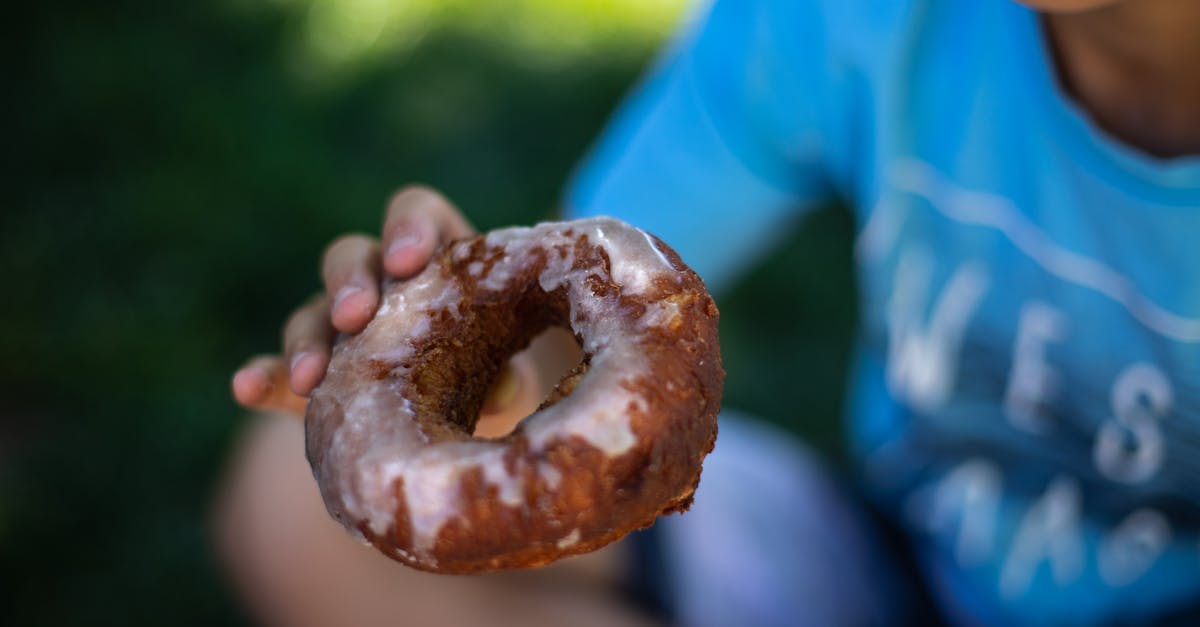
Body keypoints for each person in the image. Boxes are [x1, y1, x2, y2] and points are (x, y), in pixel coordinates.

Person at [221, 0, 1200, 624]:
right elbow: (592, 299)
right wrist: (500, 383)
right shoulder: (855, 20)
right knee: (296, 494)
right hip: (902, 554)